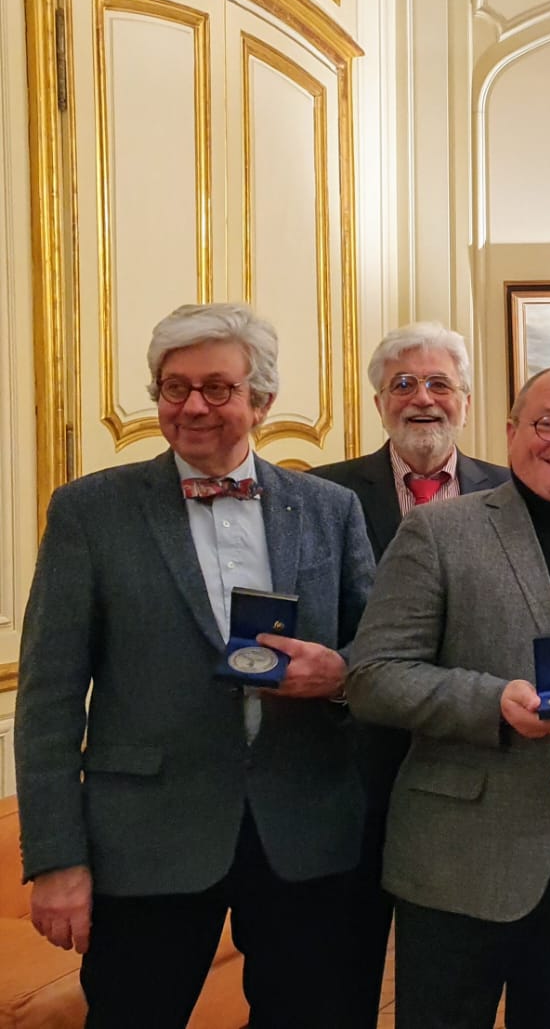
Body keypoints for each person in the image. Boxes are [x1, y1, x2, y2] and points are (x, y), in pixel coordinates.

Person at [15, 302, 374, 1028]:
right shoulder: (90, 511)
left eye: (218, 387)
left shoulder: (329, 507)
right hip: (147, 839)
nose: (193, 406)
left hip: (304, 834)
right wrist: (56, 859)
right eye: (174, 388)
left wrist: (338, 674)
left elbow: (379, 651)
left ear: (262, 400)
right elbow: (48, 698)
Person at [345, 366, 550, 1029]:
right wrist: (493, 702)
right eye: (548, 423)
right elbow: (372, 675)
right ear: (510, 432)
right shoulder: (440, 534)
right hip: (466, 855)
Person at [311, 321, 509, 1027]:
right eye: (403, 384)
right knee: (342, 973)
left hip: (474, 772)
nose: (421, 398)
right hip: (352, 773)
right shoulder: (323, 495)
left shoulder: (514, 493)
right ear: (378, 401)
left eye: (438, 383)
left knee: (452, 983)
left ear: (464, 398)